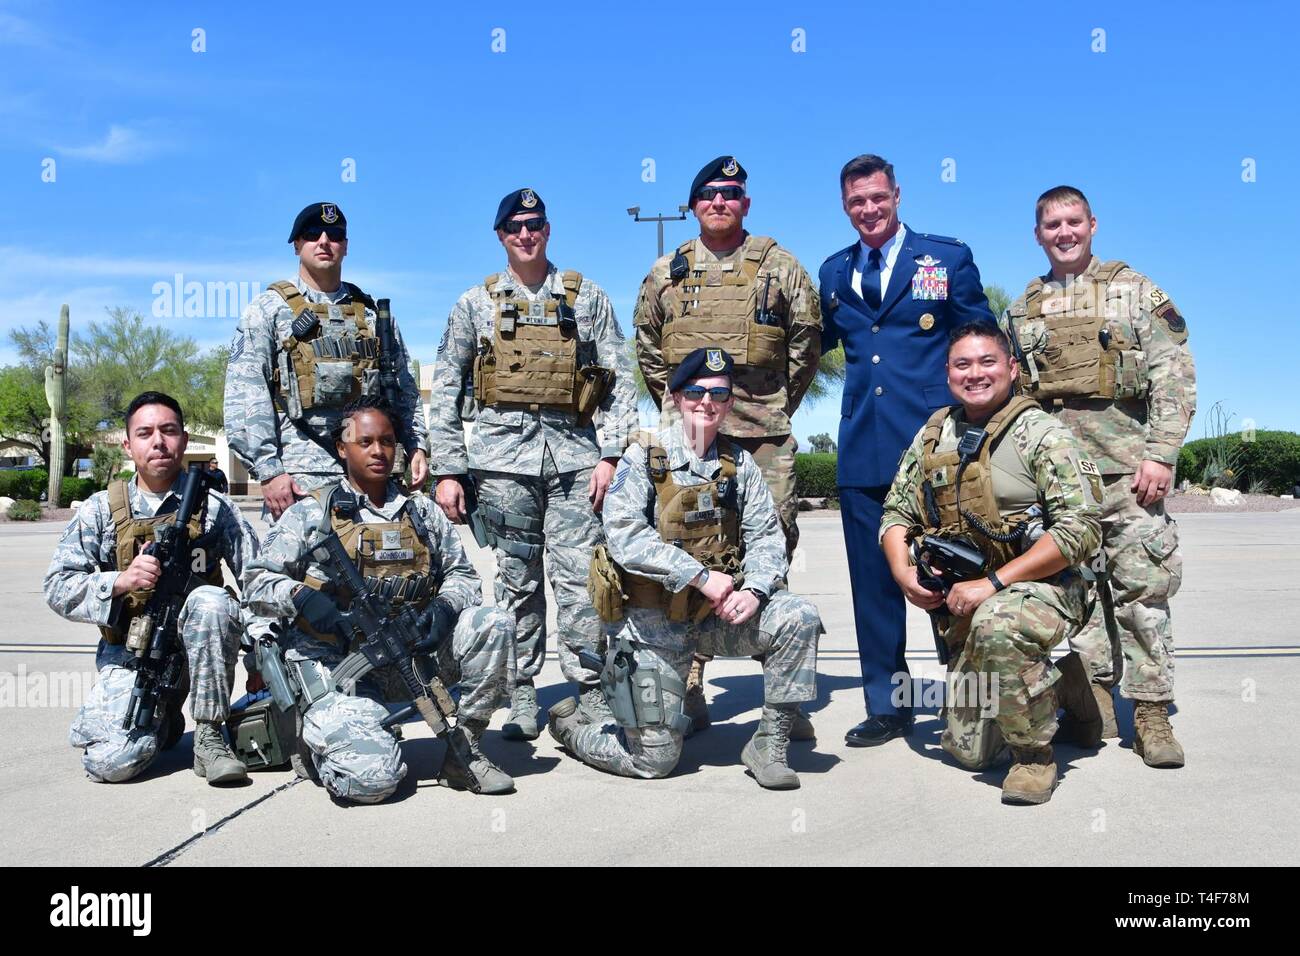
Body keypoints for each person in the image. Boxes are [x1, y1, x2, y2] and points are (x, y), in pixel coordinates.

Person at [550, 348, 822, 790]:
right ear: (676, 397)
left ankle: (769, 741)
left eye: (719, 393)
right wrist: (699, 576)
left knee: (798, 616)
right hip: (651, 627)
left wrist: (753, 590)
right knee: (654, 761)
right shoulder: (642, 459)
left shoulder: (742, 466)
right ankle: (572, 726)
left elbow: (767, 538)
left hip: (713, 621)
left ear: (730, 402)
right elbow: (624, 537)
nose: (707, 402)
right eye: (696, 392)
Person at [427, 188, 638, 741]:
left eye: (535, 225)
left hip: (576, 464)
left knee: (578, 580)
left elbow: (618, 379)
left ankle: (589, 690)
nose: (526, 234)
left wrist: (612, 453)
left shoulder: (584, 297)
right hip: (502, 466)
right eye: (515, 227)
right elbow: (445, 389)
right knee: (516, 583)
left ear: (548, 231)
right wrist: (447, 469)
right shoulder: (475, 304)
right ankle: (521, 692)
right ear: (501, 235)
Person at [1001, 186, 1196, 767]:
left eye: (1073, 222)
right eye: (1052, 225)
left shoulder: (1133, 291)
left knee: (1143, 592)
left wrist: (1160, 454)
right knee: (1079, 596)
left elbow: (1173, 374)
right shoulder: (1023, 308)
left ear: (1092, 225)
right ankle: (1097, 704)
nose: (1064, 233)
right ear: (1037, 234)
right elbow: (1016, 399)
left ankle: (1154, 714)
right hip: (1063, 482)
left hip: (1129, 473)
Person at [241, 398, 516, 803]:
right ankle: (317, 738)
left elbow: (463, 575)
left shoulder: (422, 510)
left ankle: (464, 752)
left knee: (494, 622)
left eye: (387, 441)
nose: (378, 451)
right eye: (365, 441)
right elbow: (256, 580)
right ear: (341, 448)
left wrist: (443, 608)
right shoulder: (311, 513)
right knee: (373, 782)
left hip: (411, 654)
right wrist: (300, 596)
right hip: (340, 666)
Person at [634, 155, 821, 734]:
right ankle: (689, 685)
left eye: (732, 193)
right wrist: (679, 406)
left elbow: (807, 342)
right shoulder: (666, 271)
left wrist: (773, 407)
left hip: (762, 435)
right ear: (693, 205)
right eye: (710, 193)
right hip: (687, 434)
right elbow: (645, 344)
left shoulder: (780, 266)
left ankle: (782, 703)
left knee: (773, 552)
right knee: (687, 543)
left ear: (746, 203)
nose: (721, 201)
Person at [879, 324, 1103, 803]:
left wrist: (995, 581)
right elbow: (896, 512)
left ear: (1012, 369)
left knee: (998, 625)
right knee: (969, 752)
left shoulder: (1042, 433)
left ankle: (1035, 758)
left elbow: (1081, 529)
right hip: (966, 600)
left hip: (1047, 588)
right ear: (948, 372)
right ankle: (1067, 690)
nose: (975, 374)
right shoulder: (934, 432)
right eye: (962, 364)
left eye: (987, 363)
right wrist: (903, 575)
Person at [819, 154, 997, 747]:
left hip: (935, 447)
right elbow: (805, 346)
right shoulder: (834, 271)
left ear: (897, 195)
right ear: (845, 207)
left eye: (877, 197)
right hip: (862, 445)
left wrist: (985, 427)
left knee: (951, 574)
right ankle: (888, 706)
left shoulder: (944, 259)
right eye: (855, 202)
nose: (868, 209)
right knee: (874, 583)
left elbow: (980, 341)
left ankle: (974, 700)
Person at [46, 391, 259, 785]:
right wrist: (119, 581)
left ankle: (210, 735)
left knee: (212, 601)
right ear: (128, 444)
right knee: (112, 764)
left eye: (169, 430)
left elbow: (258, 579)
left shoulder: (214, 508)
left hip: (203, 656)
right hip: (135, 655)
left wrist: (260, 658)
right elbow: (58, 586)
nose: (158, 441)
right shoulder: (101, 509)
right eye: (145, 433)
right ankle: (162, 724)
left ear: (184, 438)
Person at [223, 202, 429, 522]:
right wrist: (269, 471)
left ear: (345, 245)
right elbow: (245, 396)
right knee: (297, 572)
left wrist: (417, 447)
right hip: (299, 478)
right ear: (297, 244)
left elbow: (405, 392)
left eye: (334, 235)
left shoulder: (374, 316)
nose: (324, 241)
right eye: (312, 234)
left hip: (372, 476)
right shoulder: (267, 311)